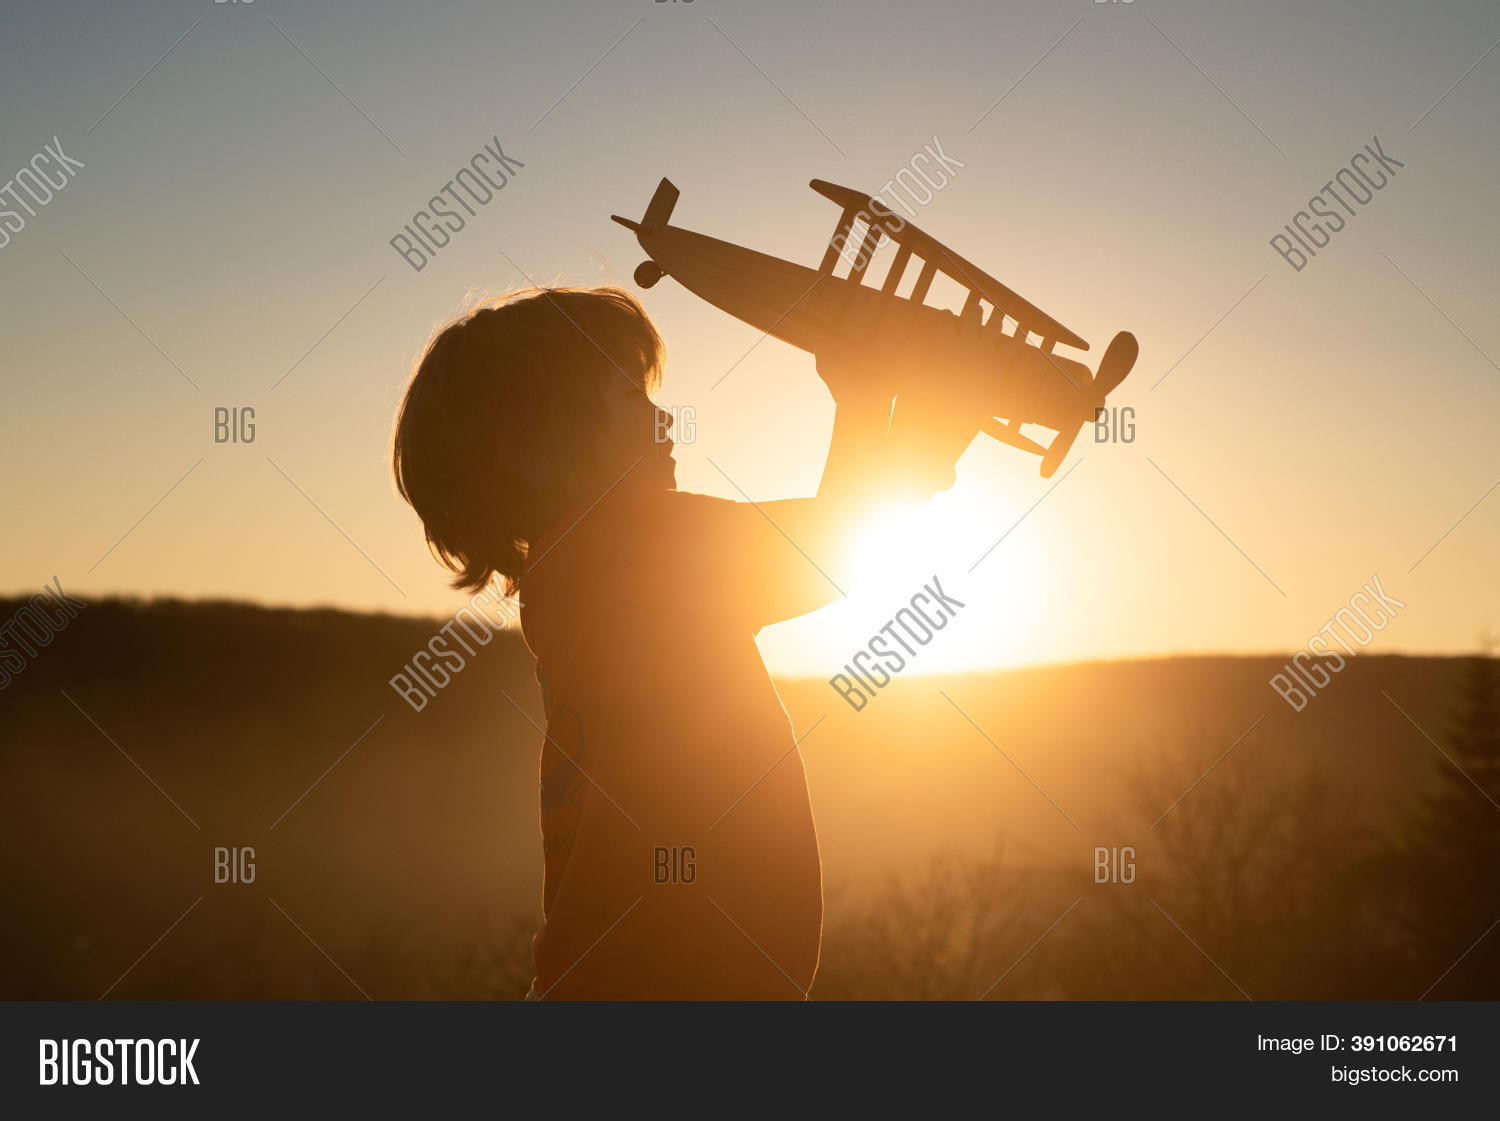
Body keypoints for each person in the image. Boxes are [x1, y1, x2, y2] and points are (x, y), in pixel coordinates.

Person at [391, 286, 984, 998]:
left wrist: (900, 443)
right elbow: (824, 552)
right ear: (541, 443)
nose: (662, 416)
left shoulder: (572, 577)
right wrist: (873, 403)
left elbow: (822, 547)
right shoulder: (631, 542)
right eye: (625, 396)